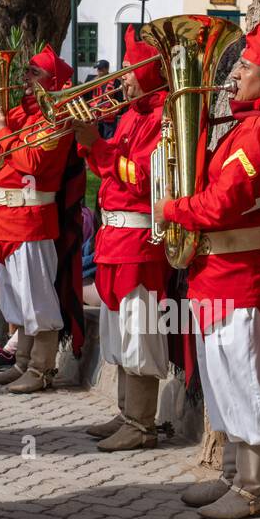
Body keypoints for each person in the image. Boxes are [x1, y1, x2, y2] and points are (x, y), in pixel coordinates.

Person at [159, 22, 260, 519]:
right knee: (223, 382)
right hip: (219, 276)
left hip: (241, 282)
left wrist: (172, 209)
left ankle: (253, 487)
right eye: (235, 65)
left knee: (246, 382)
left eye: (245, 67)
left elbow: (225, 203)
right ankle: (233, 473)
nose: (233, 75)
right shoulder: (248, 125)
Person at [73, 27, 169, 452]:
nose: (122, 78)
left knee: (139, 332)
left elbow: (146, 177)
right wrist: (91, 145)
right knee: (118, 331)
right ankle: (127, 412)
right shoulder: (131, 113)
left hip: (138, 239)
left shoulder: (164, 114)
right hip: (115, 237)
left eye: (130, 69)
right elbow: (112, 172)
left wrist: (99, 147)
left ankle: (142, 423)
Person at [0, 45, 77, 394]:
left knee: (37, 299)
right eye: (27, 72)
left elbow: (32, 162)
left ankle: (42, 367)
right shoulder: (18, 114)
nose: (25, 79)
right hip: (5, 219)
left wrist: (2, 132)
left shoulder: (56, 117)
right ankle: (22, 363)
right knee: (16, 298)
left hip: (31, 219)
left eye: (35, 73)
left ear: (55, 82)